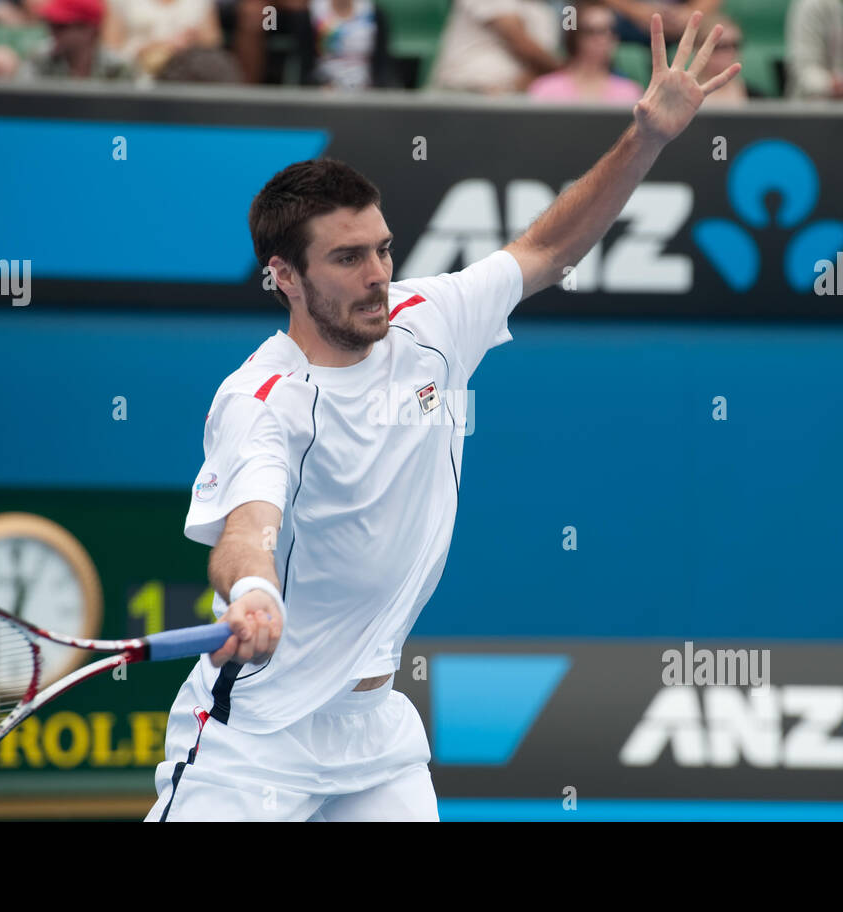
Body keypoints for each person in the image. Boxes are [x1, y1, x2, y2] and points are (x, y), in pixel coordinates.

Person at [144, 12, 741, 823]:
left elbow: (548, 250)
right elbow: (250, 520)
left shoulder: (431, 320)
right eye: (348, 259)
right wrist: (253, 589)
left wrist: (646, 140)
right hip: (254, 738)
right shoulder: (261, 398)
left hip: (377, 734)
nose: (378, 275)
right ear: (283, 275)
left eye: (383, 249)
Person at [427, 0, 562, 95]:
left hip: (510, 102)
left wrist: (509, 92)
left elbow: (540, 68)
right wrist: (569, 71)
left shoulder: (546, 13)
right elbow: (516, 38)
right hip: (461, 92)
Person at [527, 0, 643, 103]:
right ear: (575, 36)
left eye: (610, 30)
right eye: (593, 31)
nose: (604, 39)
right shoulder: (544, 89)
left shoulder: (630, 92)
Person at [294, 0, 399, 90]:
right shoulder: (311, 12)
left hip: (367, 86)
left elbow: (382, 61)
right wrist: (317, 86)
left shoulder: (374, 12)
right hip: (324, 85)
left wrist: (375, 87)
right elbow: (305, 62)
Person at [102, 0, 222, 76]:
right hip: (134, 77)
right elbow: (111, 49)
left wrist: (188, 41)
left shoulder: (201, 3)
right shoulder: (119, 2)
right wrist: (144, 49)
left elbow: (213, 42)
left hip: (187, 76)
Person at [23, 0, 133, 78]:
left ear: (90, 29)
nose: (54, 32)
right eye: (51, 24)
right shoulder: (40, 60)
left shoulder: (117, 69)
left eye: (62, 26)